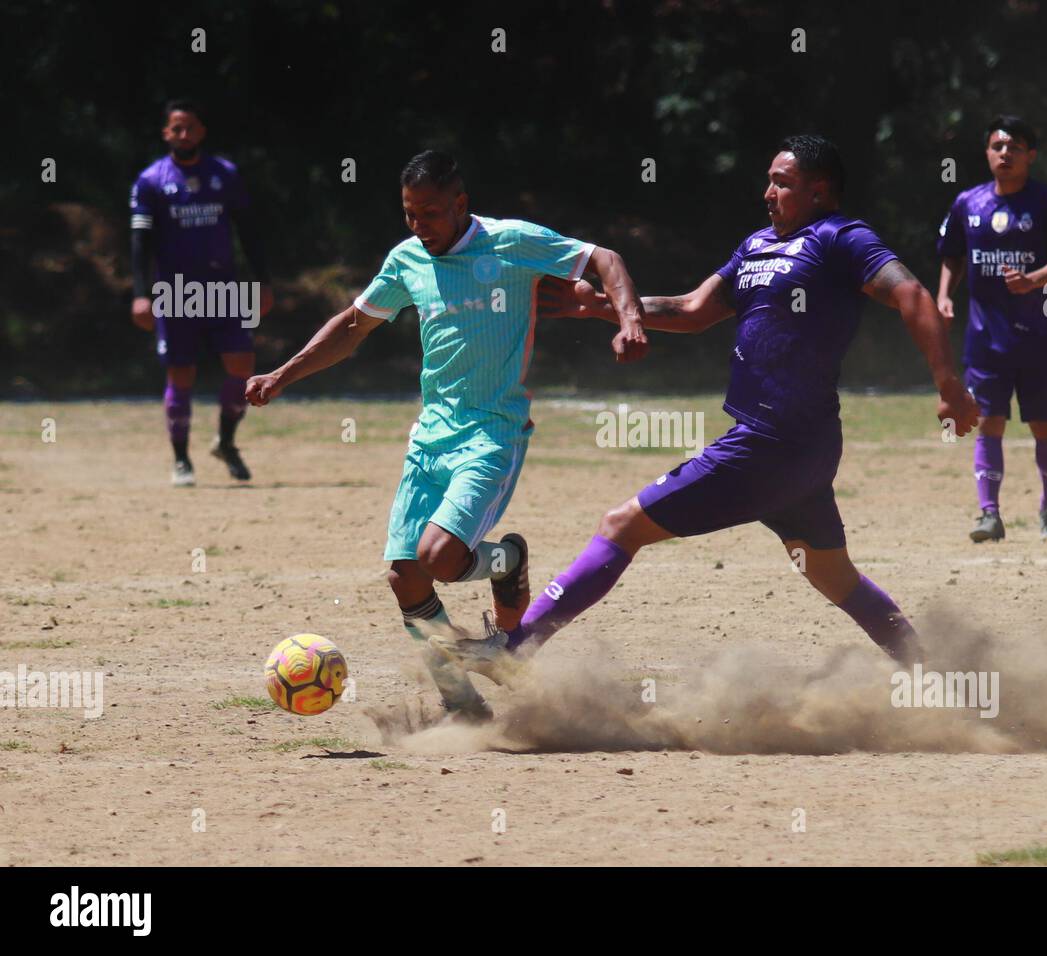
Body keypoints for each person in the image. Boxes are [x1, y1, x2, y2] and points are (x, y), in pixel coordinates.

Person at [448, 134, 980, 688]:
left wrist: (948, 383)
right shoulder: (755, 247)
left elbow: (913, 295)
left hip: (772, 443)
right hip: (796, 447)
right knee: (832, 573)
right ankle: (931, 677)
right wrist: (601, 308)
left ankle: (517, 647)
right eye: (770, 179)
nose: (768, 192)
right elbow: (691, 310)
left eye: (783, 183)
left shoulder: (840, 238)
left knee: (622, 525)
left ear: (820, 192)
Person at [244, 149, 648, 719]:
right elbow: (353, 327)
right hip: (429, 438)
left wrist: (629, 319)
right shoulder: (408, 258)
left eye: (430, 213)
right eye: (409, 213)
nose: (419, 226)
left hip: (493, 433)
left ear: (460, 204)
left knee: (437, 556)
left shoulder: (509, 242)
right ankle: (463, 704)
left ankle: (506, 562)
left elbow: (603, 257)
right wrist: (284, 374)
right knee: (403, 576)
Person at [935, 115, 1047, 542]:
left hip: (1039, 338)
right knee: (988, 422)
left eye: (1014, 147)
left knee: (1042, 424)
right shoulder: (968, 203)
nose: (1005, 153)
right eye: (997, 146)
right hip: (985, 340)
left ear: (1030, 155)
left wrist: (1033, 280)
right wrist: (945, 294)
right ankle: (989, 514)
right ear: (987, 153)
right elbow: (952, 254)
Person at [130, 99, 272, 485]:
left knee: (242, 366)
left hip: (223, 288)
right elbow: (140, 243)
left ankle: (225, 442)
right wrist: (141, 294)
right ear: (165, 133)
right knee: (181, 374)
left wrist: (261, 281)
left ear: (201, 132)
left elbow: (248, 231)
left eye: (190, 127)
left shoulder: (225, 175)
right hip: (175, 292)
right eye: (176, 128)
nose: (183, 134)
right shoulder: (151, 181)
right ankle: (181, 460)